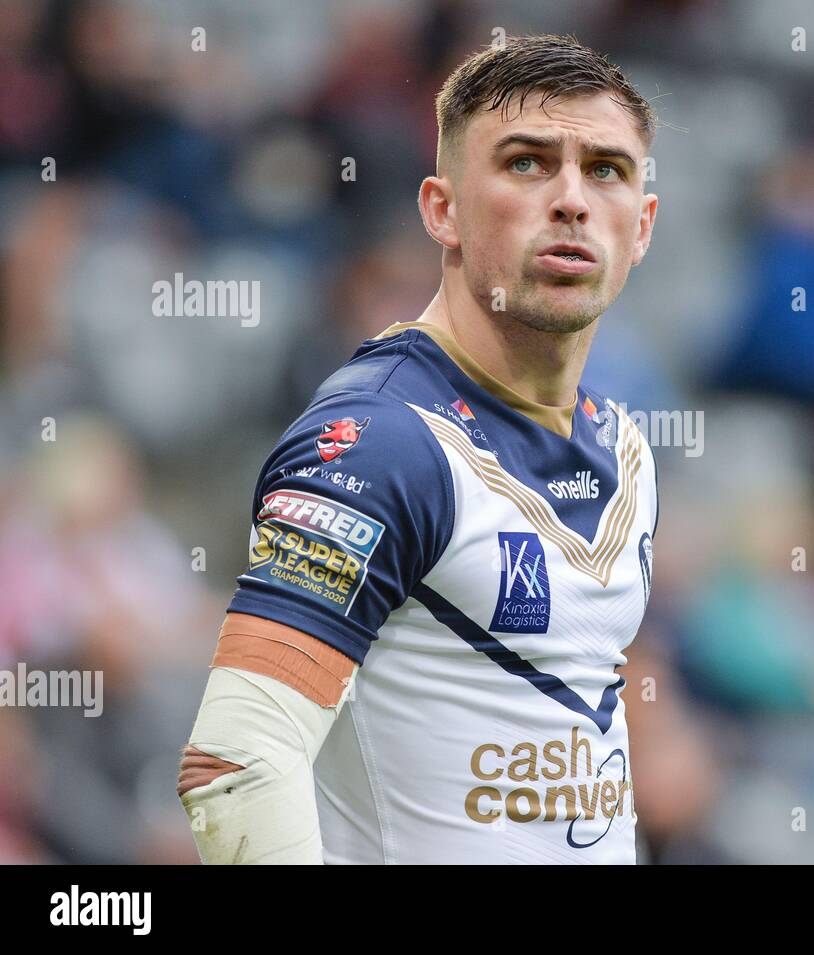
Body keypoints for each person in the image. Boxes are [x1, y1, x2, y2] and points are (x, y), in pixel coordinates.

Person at [176, 33, 660, 864]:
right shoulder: (381, 440)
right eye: (526, 163)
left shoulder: (626, 447)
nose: (573, 200)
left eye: (605, 170)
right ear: (442, 210)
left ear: (642, 225)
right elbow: (239, 759)